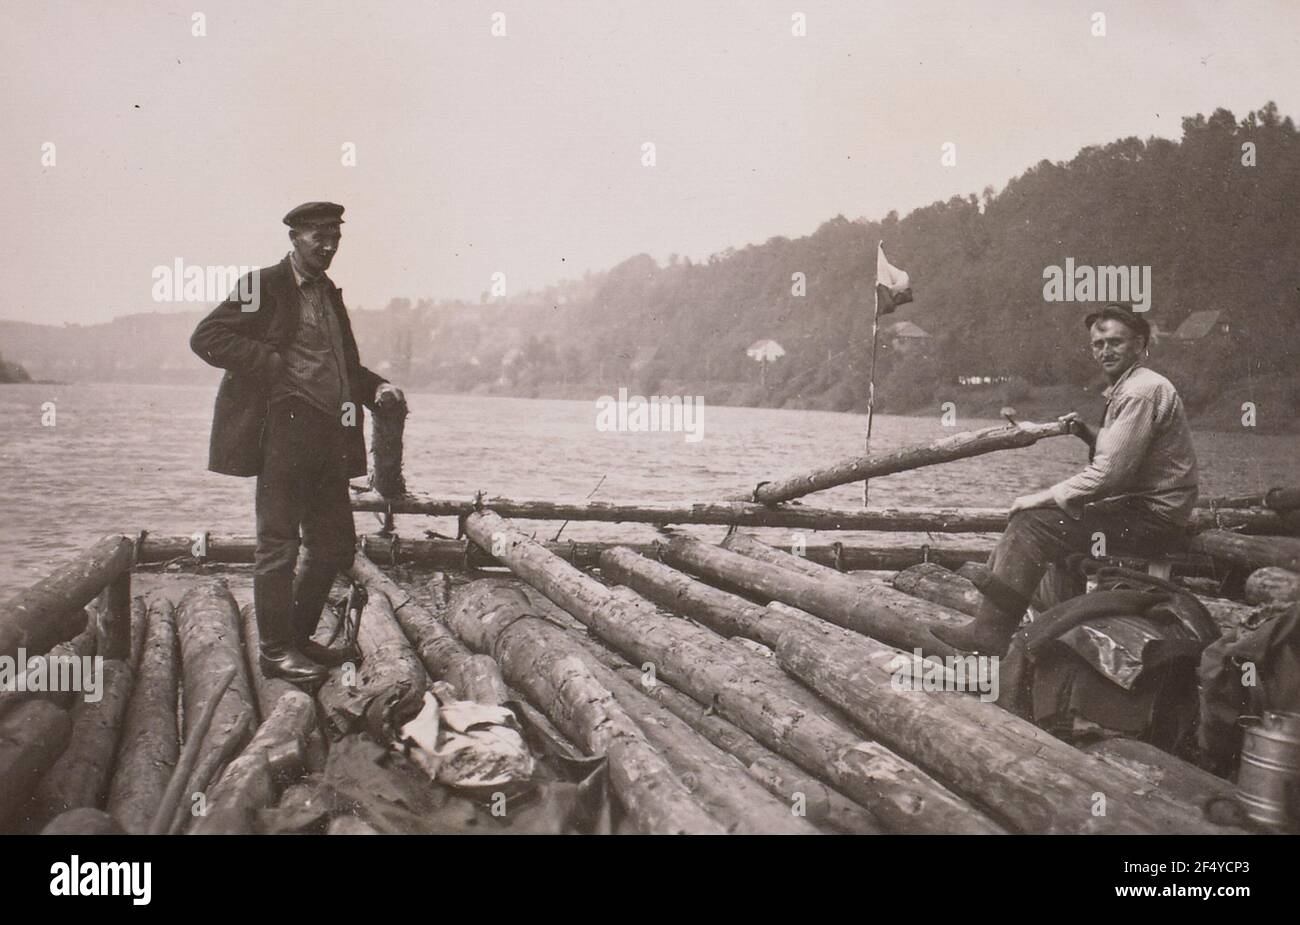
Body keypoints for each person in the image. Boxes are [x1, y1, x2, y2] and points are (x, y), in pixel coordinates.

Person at [191, 202, 405, 684]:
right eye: (318, 238)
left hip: (330, 434)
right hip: (282, 430)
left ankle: (297, 637)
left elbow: (341, 366)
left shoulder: (329, 294)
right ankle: (273, 651)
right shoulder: (261, 285)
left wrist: (376, 388)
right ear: (294, 238)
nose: (328, 247)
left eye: (335, 238)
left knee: (333, 544)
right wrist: (267, 362)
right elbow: (207, 337)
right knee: (279, 543)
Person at [934, 304, 1199, 656]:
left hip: (1155, 520)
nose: (1105, 351)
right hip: (1145, 511)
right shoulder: (1132, 386)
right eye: (1098, 344)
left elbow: (1110, 475)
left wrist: (1043, 496)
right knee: (1049, 519)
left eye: (1115, 342)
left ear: (1139, 344)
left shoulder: (1141, 391)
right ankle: (1050, 633)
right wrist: (1088, 435)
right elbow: (1127, 457)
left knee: (1032, 523)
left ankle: (990, 632)